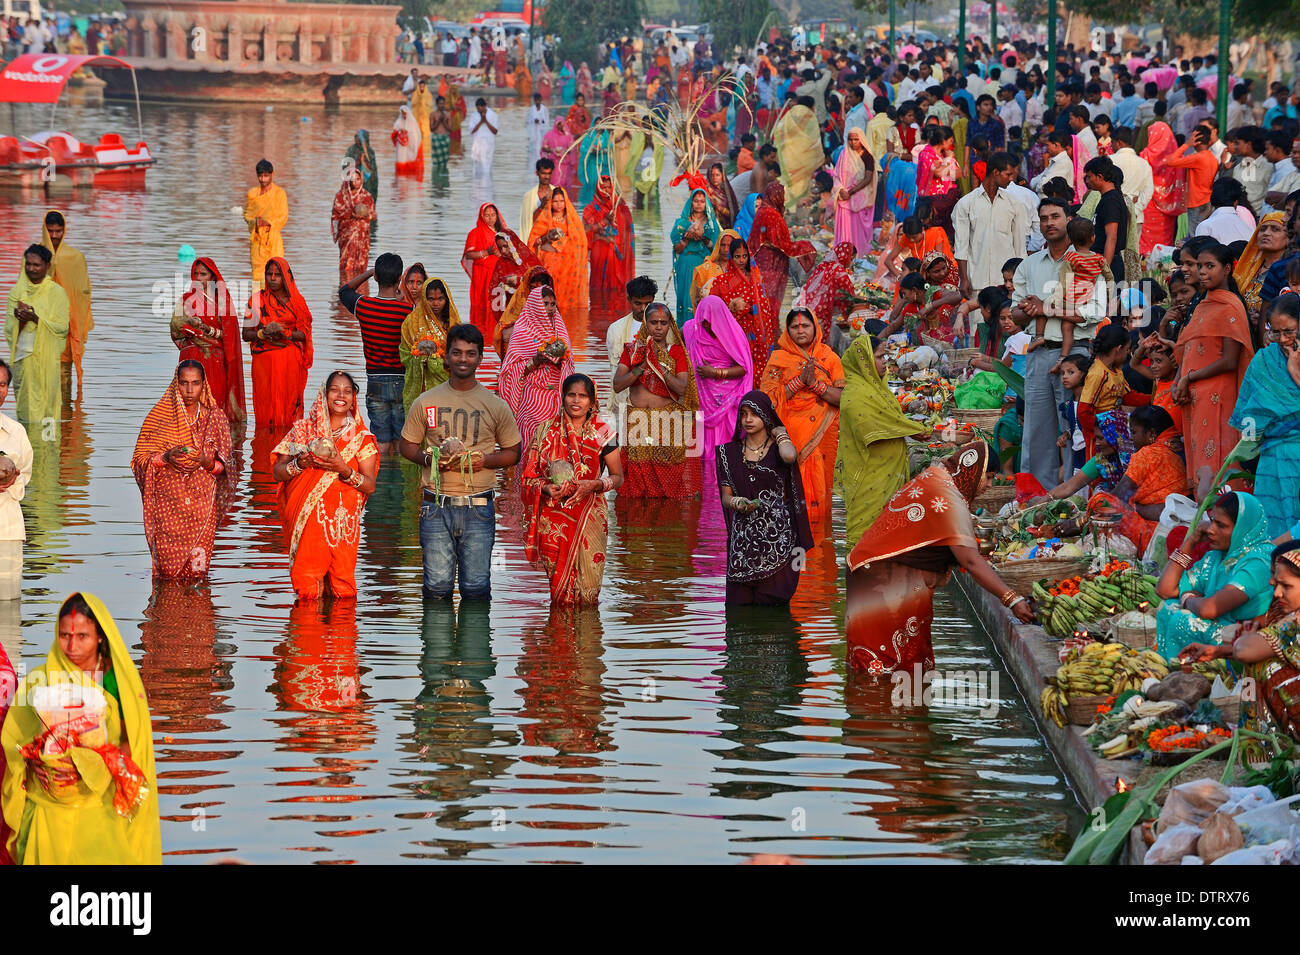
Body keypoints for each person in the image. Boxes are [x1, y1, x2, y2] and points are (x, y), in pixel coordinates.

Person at [847, 442, 1035, 673]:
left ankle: (894, 706)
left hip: (876, 570)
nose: (989, 485)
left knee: (902, 661)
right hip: (881, 579)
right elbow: (970, 561)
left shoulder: (939, 477)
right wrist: (1012, 599)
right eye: (987, 477)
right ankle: (883, 707)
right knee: (887, 666)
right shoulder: (946, 495)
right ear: (971, 471)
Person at [1, 593, 160, 864]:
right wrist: (32, 762)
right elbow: (17, 737)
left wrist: (92, 765)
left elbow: (132, 743)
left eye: (82, 636)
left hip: (99, 801)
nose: (72, 646)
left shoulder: (117, 682)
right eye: (64, 636)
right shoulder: (42, 678)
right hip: (48, 803)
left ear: (100, 636)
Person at [399, 324, 522, 601]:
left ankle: (474, 643)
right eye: (457, 352)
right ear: (446, 357)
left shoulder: (495, 404)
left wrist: (483, 461)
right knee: (435, 589)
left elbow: (514, 452)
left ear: (480, 358)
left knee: (477, 589)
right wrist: (430, 459)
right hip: (435, 506)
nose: (463, 359)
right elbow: (406, 445)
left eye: (470, 353)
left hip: (479, 507)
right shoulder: (426, 401)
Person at [1011, 198, 1107, 490]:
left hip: (1076, 354)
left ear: (1069, 219)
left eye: (1055, 216)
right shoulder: (1028, 265)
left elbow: (1095, 312)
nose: (1049, 222)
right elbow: (1015, 313)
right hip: (1040, 353)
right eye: (1043, 218)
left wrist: (1046, 308)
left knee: (1074, 430)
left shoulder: (1089, 261)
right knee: (1037, 431)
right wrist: (1028, 309)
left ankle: (1071, 499)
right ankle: (1034, 498)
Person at [271, 372, 378, 599]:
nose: (341, 396)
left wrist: (343, 469)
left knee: (342, 587)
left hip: (342, 524)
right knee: (308, 586)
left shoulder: (361, 437)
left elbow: (369, 486)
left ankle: (342, 630)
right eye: (335, 390)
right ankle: (307, 631)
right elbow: (278, 473)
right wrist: (300, 463)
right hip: (308, 519)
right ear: (324, 394)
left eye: (347, 391)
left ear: (353, 398)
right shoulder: (304, 430)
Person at [521, 373, 622, 604]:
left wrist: (594, 485)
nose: (576, 401)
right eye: (571, 395)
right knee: (559, 598)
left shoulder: (605, 433)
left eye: (583, 396)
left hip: (590, 517)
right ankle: (557, 638)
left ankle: (586, 638)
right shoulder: (545, 430)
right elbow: (528, 479)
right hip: (554, 520)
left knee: (588, 595)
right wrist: (545, 489)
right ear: (563, 397)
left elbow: (618, 477)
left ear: (592, 401)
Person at [1032, 404, 1186, 553]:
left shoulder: (1147, 454)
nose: (1131, 438)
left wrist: (1080, 523)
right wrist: (1036, 507)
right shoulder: (1177, 451)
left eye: (1133, 432)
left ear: (1151, 434)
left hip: (1151, 533)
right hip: (1174, 531)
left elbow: (1115, 500)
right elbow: (1069, 486)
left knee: (1100, 499)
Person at [131, 358, 232, 579]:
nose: (189, 390)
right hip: (168, 509)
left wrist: (205, 462)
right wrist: (165, 457)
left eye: (195, 383)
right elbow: (139, 460)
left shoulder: (215, 419)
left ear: (203, 385)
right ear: (175, 383)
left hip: (202, 509)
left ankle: (198, 614)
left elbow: (225, 469)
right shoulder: (159, 418)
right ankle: (167, 613)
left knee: (198, 575)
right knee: (167, 576)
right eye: (184, 383)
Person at [717, 390, 814, 605]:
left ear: (767, 416)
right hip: (743, 543)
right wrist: (737, 503)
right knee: (738, 611)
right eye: (743, 414)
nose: (748, 420)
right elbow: (725, 497)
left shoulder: (779, 450)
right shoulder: (728, 453)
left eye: (754, 414)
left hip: (779, 543)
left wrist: (780, 433)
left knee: (774, 608)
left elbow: (790, 457)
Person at [1172, 240, 1254, 493]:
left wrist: (1189, 377)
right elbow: (1188, 349)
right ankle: (1205, 520)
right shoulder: (1204, 304)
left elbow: (1230, 360)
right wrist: (1179, 380)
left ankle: (1223, 518)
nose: (1203, 271)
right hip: (1197, 395)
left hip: (1219, 395)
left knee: (1218, 459)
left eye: (1210, 266)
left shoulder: (1230, 305)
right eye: (1200, 266)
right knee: (1202, 462)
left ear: (1227, 269)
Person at [1154, 491, 1273, 660]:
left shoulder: (1259, 561)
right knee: (1168, 607)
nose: (1210, 530)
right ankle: (1171, 671)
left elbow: (1209, 609)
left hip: (1245, 639)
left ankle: (1191, 676)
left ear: (1242, 528)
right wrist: (1192, 540)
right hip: (1222, 627)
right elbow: (1165, 589)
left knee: (1184, 619)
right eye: (1211, 521)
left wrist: (1187, 598)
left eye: (1221, 525)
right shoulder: (1218, 557)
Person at [760, 308, 844, 536]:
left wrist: (816, 385)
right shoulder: (778, 359)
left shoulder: (829, 358)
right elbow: (766, 401)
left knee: (818, 490)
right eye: (794, 327)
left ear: (815, 327)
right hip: (788, 437)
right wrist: (798, 383)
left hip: (821, 434)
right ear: (787, 331)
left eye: (805, 326)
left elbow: (844, 398)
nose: (800, 330)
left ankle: (816, 540)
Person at [837, 333, 927, 544]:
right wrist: (910, 428)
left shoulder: (879, 390)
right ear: (864, 360)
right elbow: (872, 428)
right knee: (864, 537)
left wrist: (909, 428)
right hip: (869, 477)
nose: (884, 362)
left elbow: (890, 420)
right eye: (879, 357)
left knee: (887, 537)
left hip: (886, 475)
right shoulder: (854, 395)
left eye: (885, 357)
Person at [612, 301, 702, 498]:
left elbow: (681, 387)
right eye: (654, 322)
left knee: (669, 474)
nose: (659, 327)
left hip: (668, 421)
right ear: (646, 324)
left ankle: (667, 524)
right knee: (638, 480)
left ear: (670, 325)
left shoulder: (677, 351)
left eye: (663, 322)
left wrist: (660, 368)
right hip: (638, 421)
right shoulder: (632, 350)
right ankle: (638, 524)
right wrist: (639, 368)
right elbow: (617, 384)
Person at [1230, 294, 1300, 537]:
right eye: (1275, 332)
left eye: (1289, 331)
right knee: (1272, 524)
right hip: (1270, 458)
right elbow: (1249, 412)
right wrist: (1247, 455)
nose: (1282, 340)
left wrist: (1294, 370)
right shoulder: (1263, 360)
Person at [338, 253, 411, 455]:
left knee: (380, 441)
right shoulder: (406, 311)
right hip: (401, 380)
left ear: (377, 278)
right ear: (399, 280)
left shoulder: (364, 306)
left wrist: (369, 272)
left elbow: (344, 290)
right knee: (400, 441)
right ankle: (398, 482)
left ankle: (380, 480)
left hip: (375, 380)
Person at [171, 256, 247, 430]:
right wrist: (189, 327)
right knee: (188, 404)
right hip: (190, 359)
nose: (198, 278)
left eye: (203, 274)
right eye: (195, 274)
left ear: (213, 277)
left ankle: (216, 448)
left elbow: (230, 335)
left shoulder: (223, 302)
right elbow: (175, 329)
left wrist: (206, 330)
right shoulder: (185, 300)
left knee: (213, 404)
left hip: (215, 360)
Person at [498, 286, 574, 447]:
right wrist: (536, 361)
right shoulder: (522, 332)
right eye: (545, 303)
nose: (549, 308)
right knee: (532, 446)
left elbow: (570, 367)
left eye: (553, 304)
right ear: (535, 305)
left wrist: (561, 359)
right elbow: (508, 371)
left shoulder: (560, 330)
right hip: (533, 398)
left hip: (558, 398)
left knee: (556, 448)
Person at [683, 295, 754, 465]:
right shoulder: (691, 330)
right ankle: (705, 487)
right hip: (701, 398)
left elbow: (743, 368)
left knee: (726, 449)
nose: (706, 325)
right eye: (703, 321)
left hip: (727, 400)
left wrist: (715, 373)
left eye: (709, 321)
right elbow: (675, 343)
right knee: (701, 450)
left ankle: (728, 485)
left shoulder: (733, 333)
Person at [243, 256, 311, 430]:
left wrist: (284, 333)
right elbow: (246, 334)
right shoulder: (257, 300)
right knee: (266, 406)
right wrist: (263, 333)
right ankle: (264, 447)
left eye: (277, 274)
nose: (272, 278)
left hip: (289, 360)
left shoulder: (297, 302)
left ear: (286, 277)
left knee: (289, 408)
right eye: (268, 274)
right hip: (264, 361)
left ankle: (289, 443)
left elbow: (304, 335)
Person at [6, 243, 69, 430]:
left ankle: (47, 453)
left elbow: (62, 328)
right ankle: (27, 446)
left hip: (47, 361)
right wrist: (21, 321)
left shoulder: (57, 293)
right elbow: (9, 331)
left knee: (47, 410)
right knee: (26, 410)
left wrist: (36, 319)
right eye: (28, 264)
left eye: (36, 265)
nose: (31, 269)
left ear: (47, 266)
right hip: (23, 360)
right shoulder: (17, 292)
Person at [951, 152, 1028, 296]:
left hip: (1007, 284)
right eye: (1008, 174)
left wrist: (1021, 280)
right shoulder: (966, 204)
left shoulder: (1014, 204)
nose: (1011, 180)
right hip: (977, 282)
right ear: (995, 172)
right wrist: (964, 279)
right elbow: (961, 246)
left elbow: (1019, 246)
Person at [39, 211, 91, 385]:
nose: (54, 236)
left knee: (64, 378)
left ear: (64, 230)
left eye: (58, 231)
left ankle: (67, 412)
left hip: (67, 327)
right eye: (50, 231)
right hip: (40, 326)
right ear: (45, 230)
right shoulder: (34, 257)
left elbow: (84, 293)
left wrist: (78, 324)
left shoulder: (75, 258)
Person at [750, 181, 816, 316]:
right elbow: (782, 244)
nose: (784, 199)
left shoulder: (763, 211)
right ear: (777, 196)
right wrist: (805, 247)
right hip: (771, 264)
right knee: (770, 304)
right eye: (782, 195)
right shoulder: (771, 215)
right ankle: (770, 333)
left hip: (763, 261)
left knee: (764, 302)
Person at [400, 276, 461, 412]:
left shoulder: (453, 323)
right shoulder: (411, 321)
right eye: (431, 299)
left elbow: (460, 355)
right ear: (424, 298)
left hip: (446, 385)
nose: (435, 304)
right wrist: (419, 357)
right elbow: (404, 354)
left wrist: (438, 361)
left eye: (440, 299)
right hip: (418, 388)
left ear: (446, 299)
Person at [527, 187, 589, 316]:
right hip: (549, 265)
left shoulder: (573, 221)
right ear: (550, 202)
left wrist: (559, 244)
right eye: (555, 201)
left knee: (567, 306)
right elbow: (533, 242)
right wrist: (547, 238)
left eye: (562, 201)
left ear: (566, 202)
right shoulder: (544, 219)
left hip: (569, 268)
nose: (559, 204)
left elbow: (580, 243)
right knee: (550, 295)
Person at [0, 360, 29, 599]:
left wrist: (10, 477)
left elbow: (24, 477)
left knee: (8, 606)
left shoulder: (16, 431)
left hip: (7, 531)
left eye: (2, 384)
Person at [1233, 211, 1289, 332]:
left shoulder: (1289, 272)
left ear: (1289, 235)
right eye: (1262, 229)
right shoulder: (1245, 269)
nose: (1266, 233)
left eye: (1275, 229)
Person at [583, 175, 635, 297]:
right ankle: (598, 311)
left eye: (608, 187)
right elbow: (585, 231)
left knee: (617, 288)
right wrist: (604, 222)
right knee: (598, 287)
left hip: (617, 254)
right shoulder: (590, 209)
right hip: (599, 253)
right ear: (597, 189)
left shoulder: (620, 207)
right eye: (603, 187)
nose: (606, 191)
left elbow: (628, 232)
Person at [462, 203, 509, 338]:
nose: (490, 218)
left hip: (498, 276)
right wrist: (486, 253)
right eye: (487, 215)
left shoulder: (503, 234)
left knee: (497, 306)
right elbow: (469, 255)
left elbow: (511, 253)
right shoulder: (475, 233)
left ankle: (494, 336)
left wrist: (502, 255)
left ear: (497, 216)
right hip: (482, 275)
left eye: (493, 215)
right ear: (482, 216)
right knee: (481, 305)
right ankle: (481, 334)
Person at [1138, 121, 1184, 253]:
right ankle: (1164, 267)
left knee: (1146, 239)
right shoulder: (1177, 157)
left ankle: (1146, 265)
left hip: (1149, 204)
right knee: (1164, 239)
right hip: (1169, 205)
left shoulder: (1145, 155)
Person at [243, 159, 288, 286]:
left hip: (273, 242)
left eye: (266, 176)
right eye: (260, 176)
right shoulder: (252, 193)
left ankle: (273, 304)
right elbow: (247, 215)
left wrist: (268, 222)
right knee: (257, 278)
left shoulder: (280, 194)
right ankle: (258, 304)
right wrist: (255, 222)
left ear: (272, 175)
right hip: (257, 242)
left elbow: (283, 217)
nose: (263, 179)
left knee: (275, 274)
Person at [833, 127, 877, 254]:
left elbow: (868, 178)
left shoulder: (867, 156)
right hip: (844, 197)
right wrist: (840, 189)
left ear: (861, 140)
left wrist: (851, 192)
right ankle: (843, 253)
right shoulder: (844, 155)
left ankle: (859, 253)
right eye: (850, 139)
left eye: (856, 139)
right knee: (845, 228)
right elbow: (837, 175)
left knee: (857, 229)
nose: (853, 143)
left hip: (859, 197)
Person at [330, 162, 376, 285]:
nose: (356, 182)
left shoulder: (367, 196)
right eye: (353, 179)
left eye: (358, 179)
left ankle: (361, 292)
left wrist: (365, 215)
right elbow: (336, 214)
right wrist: (351, 214)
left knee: (361, 267)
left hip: (362, 237)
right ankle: (344, 288)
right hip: (347, 236)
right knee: (346, 267)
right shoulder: (341, 196)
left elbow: (373, 215)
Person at [772, 96, 823, 206]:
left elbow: (778, 134)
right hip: (800, 159)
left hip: (789, 158)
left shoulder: (789, 117)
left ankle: (790, 211)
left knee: (791, 186)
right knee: (799, 188)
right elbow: (814, 142)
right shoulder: (809, 119)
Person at [801, 241, 857, 340]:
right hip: (820, 315)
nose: (851, 262)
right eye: (851, 258)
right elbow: (849, 297)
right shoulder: (839, 272)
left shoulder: (826, 265)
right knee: (816, 347)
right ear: (846, 256)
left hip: (807, 308)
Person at [691, 230, 738, 308]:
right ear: (718, 246)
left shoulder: (742, 270)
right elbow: (697, 301)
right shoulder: (704, 269)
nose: (726, 249)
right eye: (723, 245)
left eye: (729, 245)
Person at [344, 129, 378, 205]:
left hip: (368, 182)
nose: (357, 139)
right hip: (354, 180)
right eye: (356, 137)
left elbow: (373, 169)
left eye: (359, 138)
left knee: (367, 202)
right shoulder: (351, 150)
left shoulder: (370, 151)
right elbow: (344, 165)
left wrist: (365, 163)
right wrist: (356, 163)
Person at [392, 104, 423, 175]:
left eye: (405, 113)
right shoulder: (398, 122)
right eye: (402, 113)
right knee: (401, 161)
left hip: (411, 145)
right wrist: (400, 131)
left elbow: (416, 136)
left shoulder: (413, 123)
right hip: (401, 147)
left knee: (411, 160)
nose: (404, 115)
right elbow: (394, 133)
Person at [471, 98, 499, 169]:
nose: (478, 111)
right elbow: (472, 131)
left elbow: (495, 131)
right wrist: (481, 122)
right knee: (476, 169)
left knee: (487, 169)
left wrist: (485, 121)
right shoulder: (474, 115)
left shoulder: (493, 115)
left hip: (488, 145)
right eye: (477, 109)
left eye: (480, 109)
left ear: (484, 106)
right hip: (477, 145)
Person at [411, 77, 434, 165]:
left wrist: (423, 101)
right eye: (420, 87)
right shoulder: (415, 95)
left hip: (425, 120)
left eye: (423, 87)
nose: (421, 88)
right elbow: (413, 104)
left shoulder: (428, 95)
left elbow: (430, 106)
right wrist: (419, 100)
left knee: (426, 138)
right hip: (417, 119)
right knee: (417, 137)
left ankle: (426, 154)